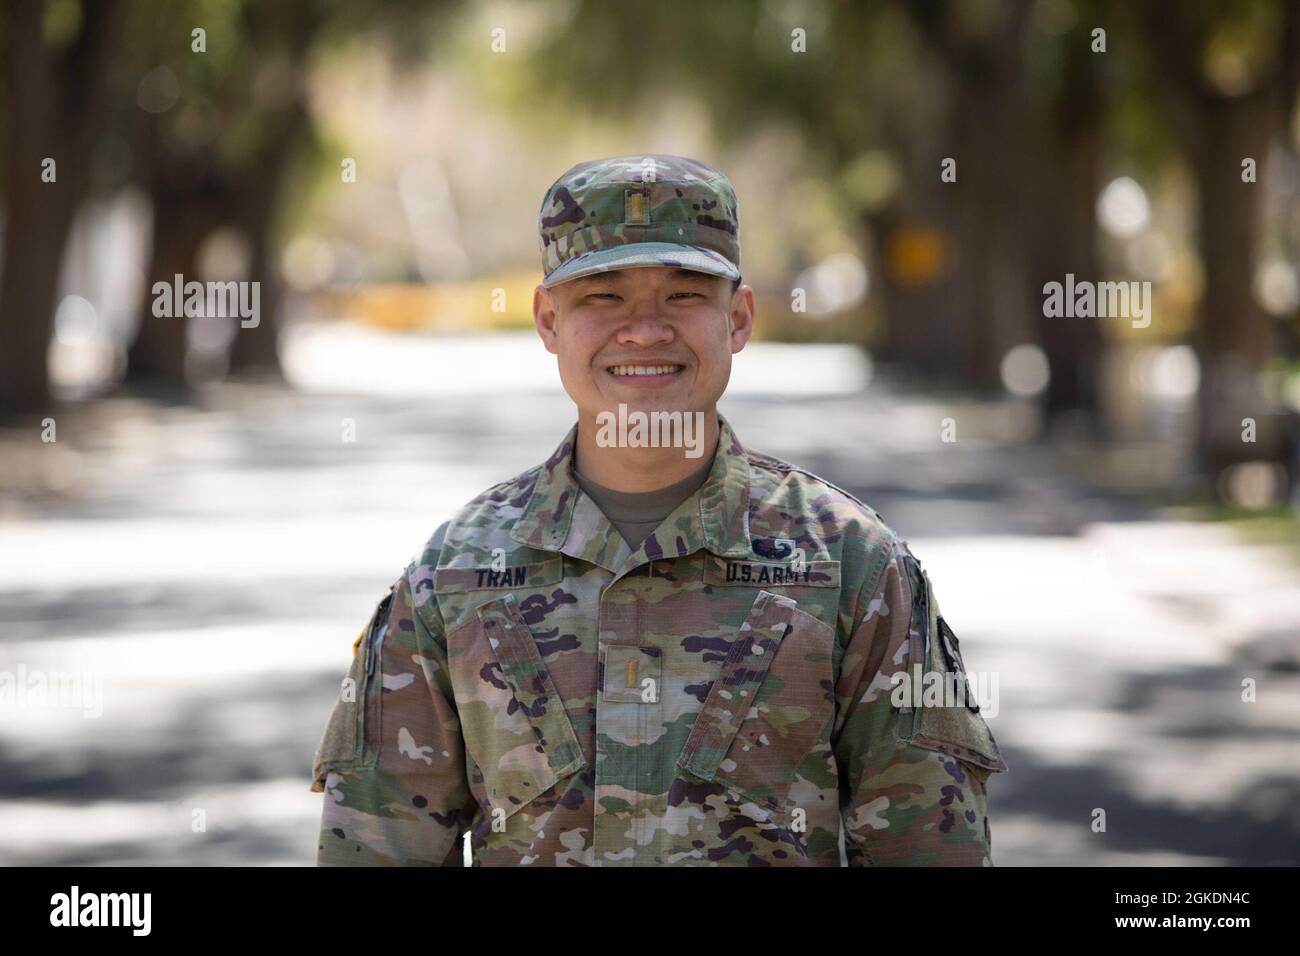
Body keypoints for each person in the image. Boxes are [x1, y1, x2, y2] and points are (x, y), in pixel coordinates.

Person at [310, 154, 1008, 866]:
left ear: (737, 318)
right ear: (549, 321)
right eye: (602, 297)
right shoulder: (452, 575)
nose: (644, 330)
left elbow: (928, 848)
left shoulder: (853, 564)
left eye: (684, 296)